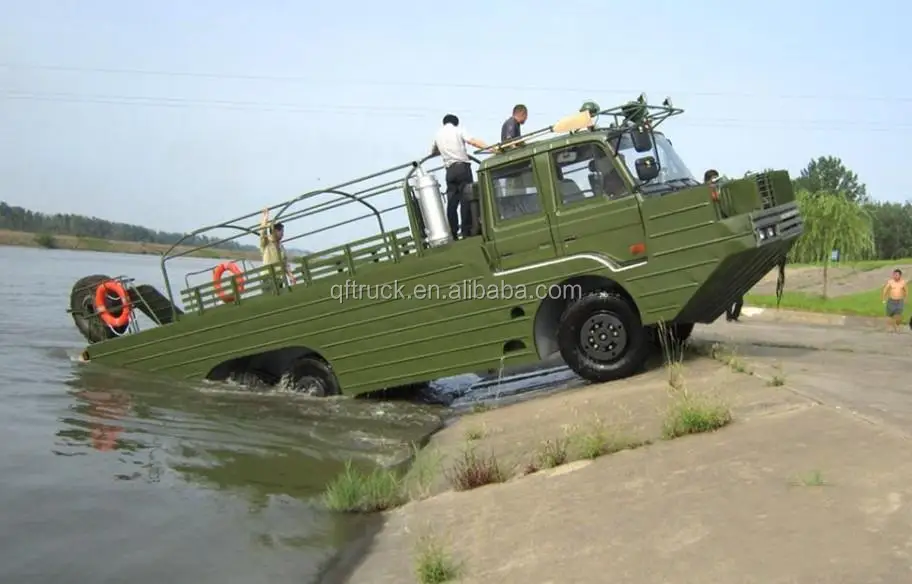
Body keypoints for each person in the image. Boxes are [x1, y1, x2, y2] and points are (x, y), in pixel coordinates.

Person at [430, 114, 488, 239]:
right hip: (462, 168)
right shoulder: (458, 130)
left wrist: (446, 151)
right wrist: (490, 148)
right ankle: (466, 231)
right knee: (466, 199)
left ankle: (453, 232)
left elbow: (434, 151)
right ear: (455, 122)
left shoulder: (438, 135)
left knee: (452, 202)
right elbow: (472, 141)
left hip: (449, 171)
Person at [705, 168, 741, 321]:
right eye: (713, 179)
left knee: (736, 289)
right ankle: (729, 314)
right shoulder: (706, 194)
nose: (715, 182)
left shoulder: (719, 195)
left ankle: (732, 315)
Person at [259, 208, 292, 289]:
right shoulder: (267, 242)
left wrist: (290, 275)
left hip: (279, 279)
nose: (283, 234)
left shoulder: (281, 246)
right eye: (281, 231)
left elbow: (285, 262)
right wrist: (266, 216)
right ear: (274, 231)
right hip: (268, 277)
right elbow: (262, 231)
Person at [881, 268, 907, 333]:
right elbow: (885, 290)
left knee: (898, 316)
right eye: (894, 275)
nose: (895, 276)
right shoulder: (890, 282)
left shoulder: (903, 282)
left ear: (900, 275)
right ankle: (890, 328)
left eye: (896, 275)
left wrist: (905, 298)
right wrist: (883, 299)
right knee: (890, 315)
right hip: (891, 301)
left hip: (900, 301)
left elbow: (906, 291)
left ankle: (897, 326)